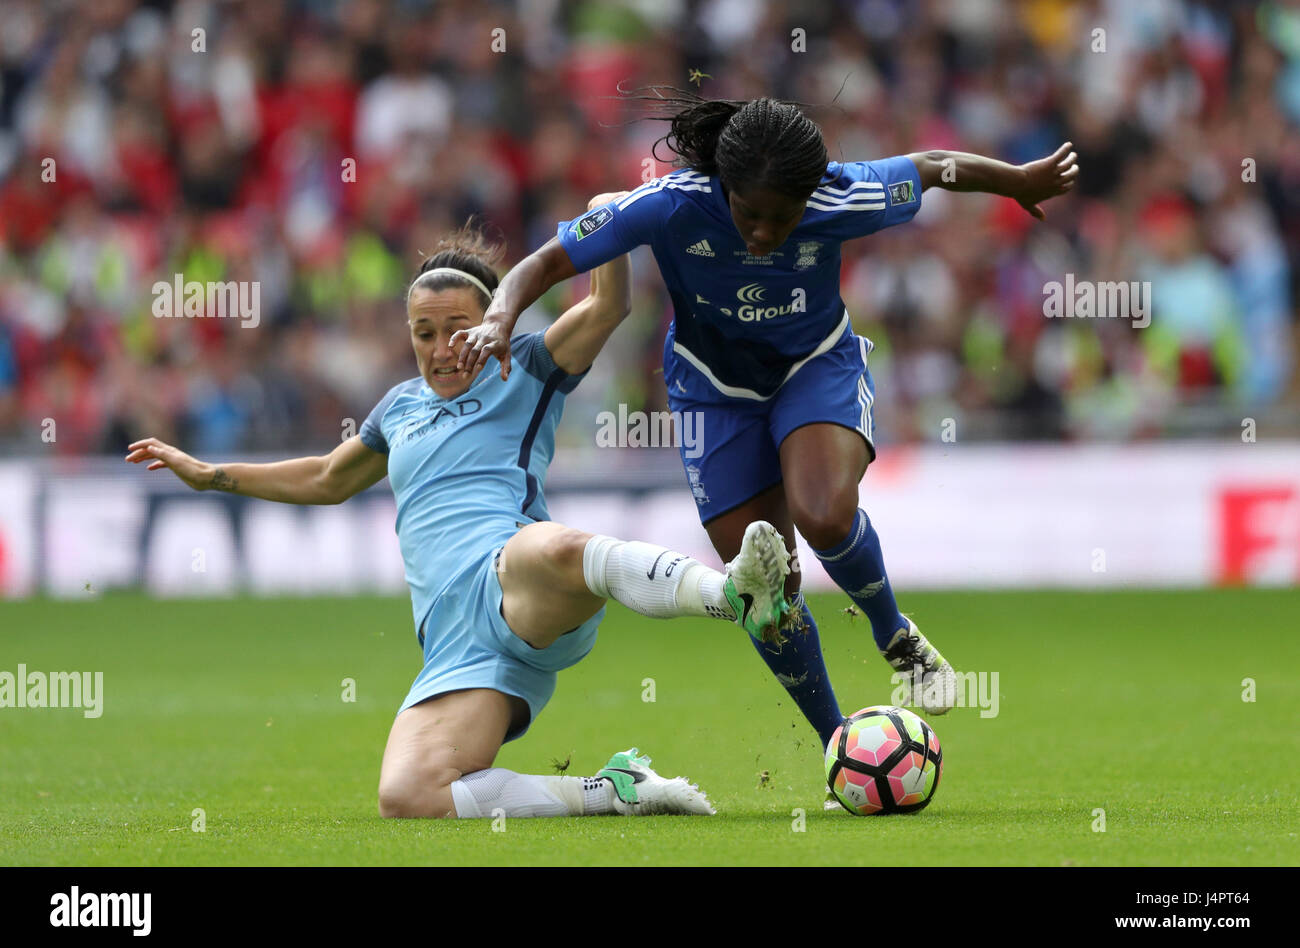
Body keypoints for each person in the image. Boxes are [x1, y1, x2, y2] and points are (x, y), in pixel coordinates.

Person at [452, 92, 1079, 750]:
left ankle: (893, 631)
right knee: (766, 592)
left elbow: (928, 165)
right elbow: (546, 260)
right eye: (748, 214)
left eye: (782, 219)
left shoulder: (841, 196)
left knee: (825, 514)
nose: (761, 233)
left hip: (813, 367)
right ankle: (840, 743)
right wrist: (500, 315)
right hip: (710, 393)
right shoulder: (670, 204)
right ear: (722, 186)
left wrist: (1016, 182)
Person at [125, 208, 793, 819]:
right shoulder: (399, 408)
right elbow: (328, 479)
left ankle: (731, 593)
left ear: (492, 320)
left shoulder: (524, 367)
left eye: (457, 329)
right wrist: (213, 477)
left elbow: (608, 306)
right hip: (456, 643)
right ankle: (611, 790)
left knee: (550, 548)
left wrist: (609, 227)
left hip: (516, 582)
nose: (442, 348)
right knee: (408, 797)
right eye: (424, 333)